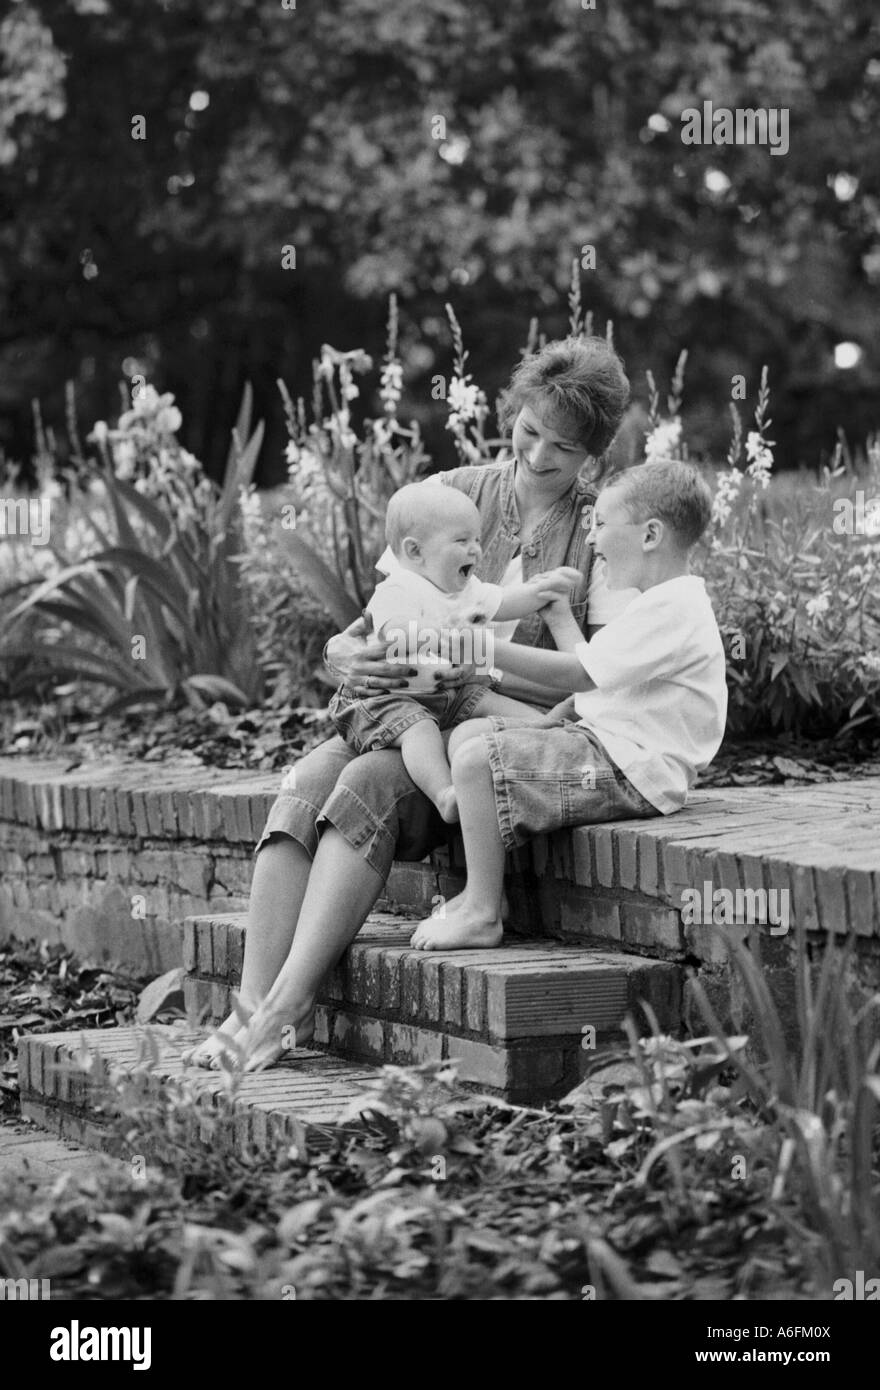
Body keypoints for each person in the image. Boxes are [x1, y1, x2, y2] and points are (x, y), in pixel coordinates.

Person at [184, 335, 634, 1071]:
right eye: (530, 430)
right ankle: (246, 1010)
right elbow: (377, 614)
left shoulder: (597, 531)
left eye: (566, 446)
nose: (540, 455)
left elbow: (590, 678)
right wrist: (342, 654)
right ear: (512, 410)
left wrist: (465, 664)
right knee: (302, 784)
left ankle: (286, 1009)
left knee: (365, 785)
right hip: (400, 708)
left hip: (488, 732)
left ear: (594, 453)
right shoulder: (454, 491)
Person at [409, 459, 728, 951]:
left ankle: (482, 910)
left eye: (601, 524)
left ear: (649, 536)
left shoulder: (674, 608)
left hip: (636, 770)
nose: (593, 540)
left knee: (476, 761)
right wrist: (558, 622)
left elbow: (581, 672)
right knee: (475, 737)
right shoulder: (656, 603)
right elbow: (603, 683)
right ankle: (483, 892)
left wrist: (475, 645)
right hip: (608, 748)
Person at [329, 479, 582, 823]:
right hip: (388, 698)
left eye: (477, 540)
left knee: (484, 698)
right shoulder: (400, 588)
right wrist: (439, 636)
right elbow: (395, 631)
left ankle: (547, 724)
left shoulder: (468, 589)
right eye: (462, 541)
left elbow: (506, 602)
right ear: (415, 551)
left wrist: (543, 591)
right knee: (420, 730)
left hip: (447, 692)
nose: (476, 550)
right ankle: (444, 793)